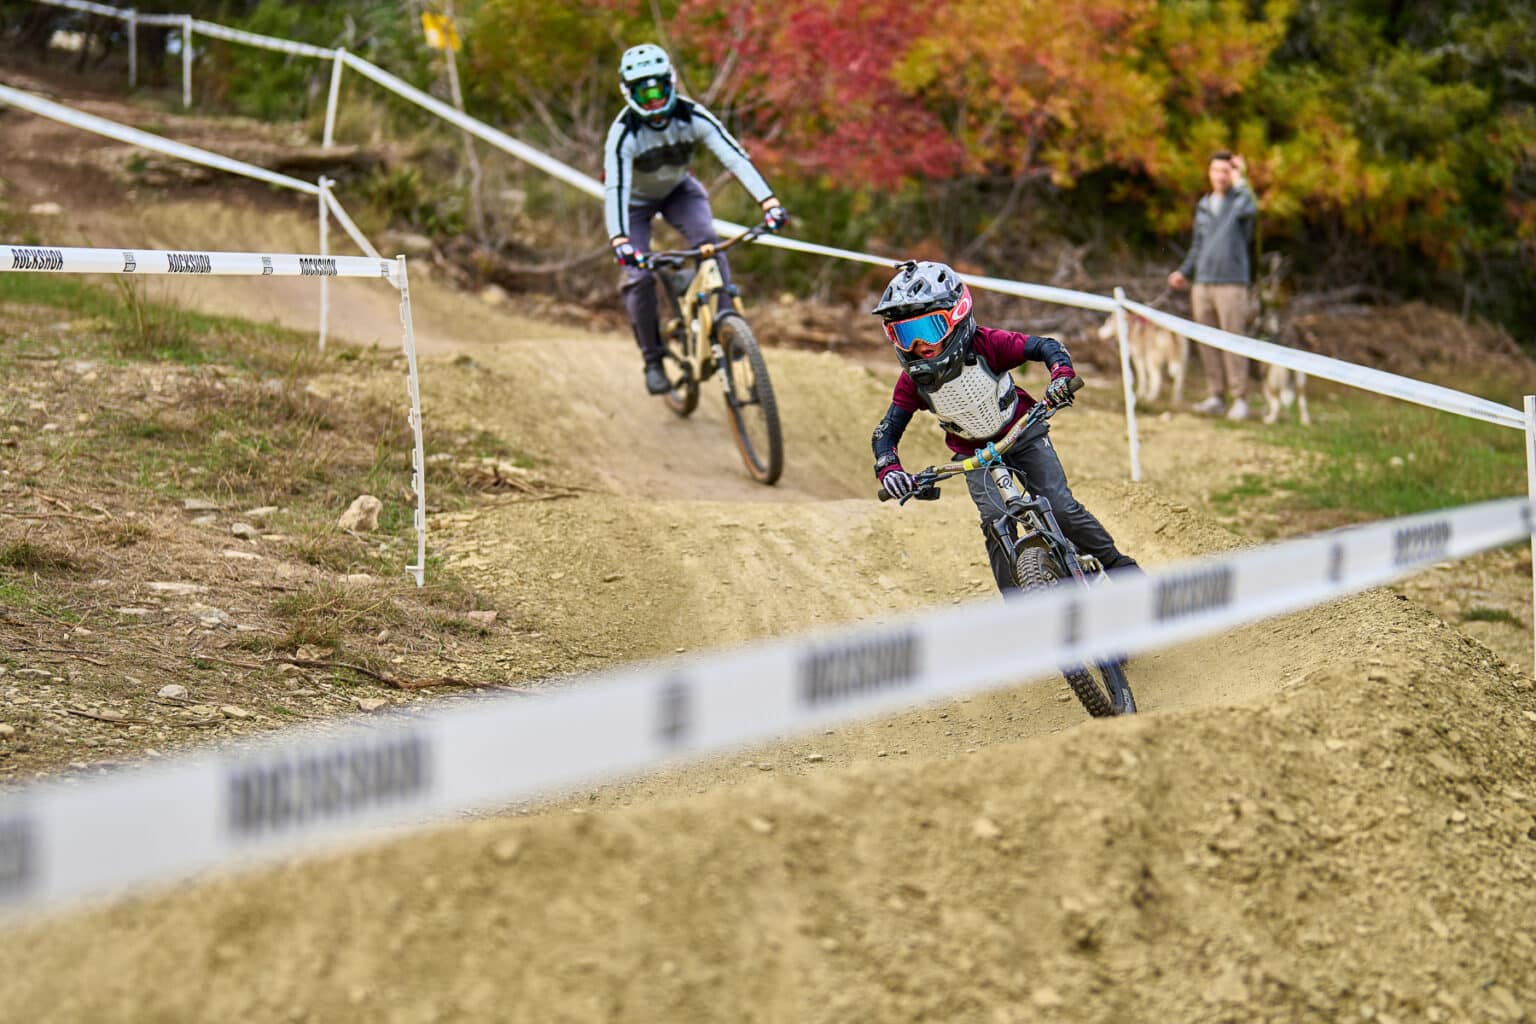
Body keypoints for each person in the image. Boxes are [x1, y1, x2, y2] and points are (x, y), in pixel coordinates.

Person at [870, 261, 1138, 593]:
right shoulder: (912, 382)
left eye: (928, 330)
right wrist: (890, 469)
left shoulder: (987, 344)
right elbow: (886, 431)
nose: (917, 345)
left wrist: (1061, 376)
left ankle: (1120, 568)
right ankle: (1018, 611)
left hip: (1023, 431)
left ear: (957, 317)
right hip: (973, 456)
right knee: (996, 525)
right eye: (904, 335)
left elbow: (1045, 347)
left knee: (1060, 506)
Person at [603, 43, 789, 395]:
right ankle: (654, 359)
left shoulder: (694, 116)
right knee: (639, 278)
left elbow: (734, 158)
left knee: (709, 240)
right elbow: (614, 187)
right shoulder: (623, 135)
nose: (655, 100)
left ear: (671, 83)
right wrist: (620, 239)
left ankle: (724, 322)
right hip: (634, 204)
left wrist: (769, 201)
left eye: (659, 88)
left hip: (678, 192)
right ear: (630, 94)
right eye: (645, 92)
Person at [1167, 151, 1257, 421]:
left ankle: (1240, 398)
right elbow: (1198, 244)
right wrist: (1185, 271)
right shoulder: (1204, 205)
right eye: (1216, 170)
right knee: (1207, 342)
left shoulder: (1240, 202)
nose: (1220, 175)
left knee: (1233, 339)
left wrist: (1241, 180)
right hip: (1203, 283)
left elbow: (1250, 209)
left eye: (1225, 171)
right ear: (1209, 173)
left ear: (1232, 174)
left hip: (1232, 283)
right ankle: (1216, 394)